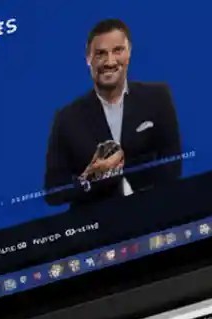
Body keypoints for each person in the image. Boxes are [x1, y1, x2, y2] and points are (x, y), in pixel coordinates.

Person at [44, 18, 183, 208]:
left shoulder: (158, 97)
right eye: (100, 54)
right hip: (98, 222)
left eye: (118, 50)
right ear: (88, 58)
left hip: (155, 211)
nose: (110, 62)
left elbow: (174, 163)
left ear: (129, 53)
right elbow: (52, 193)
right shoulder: (66, 118)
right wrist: (88, 179)